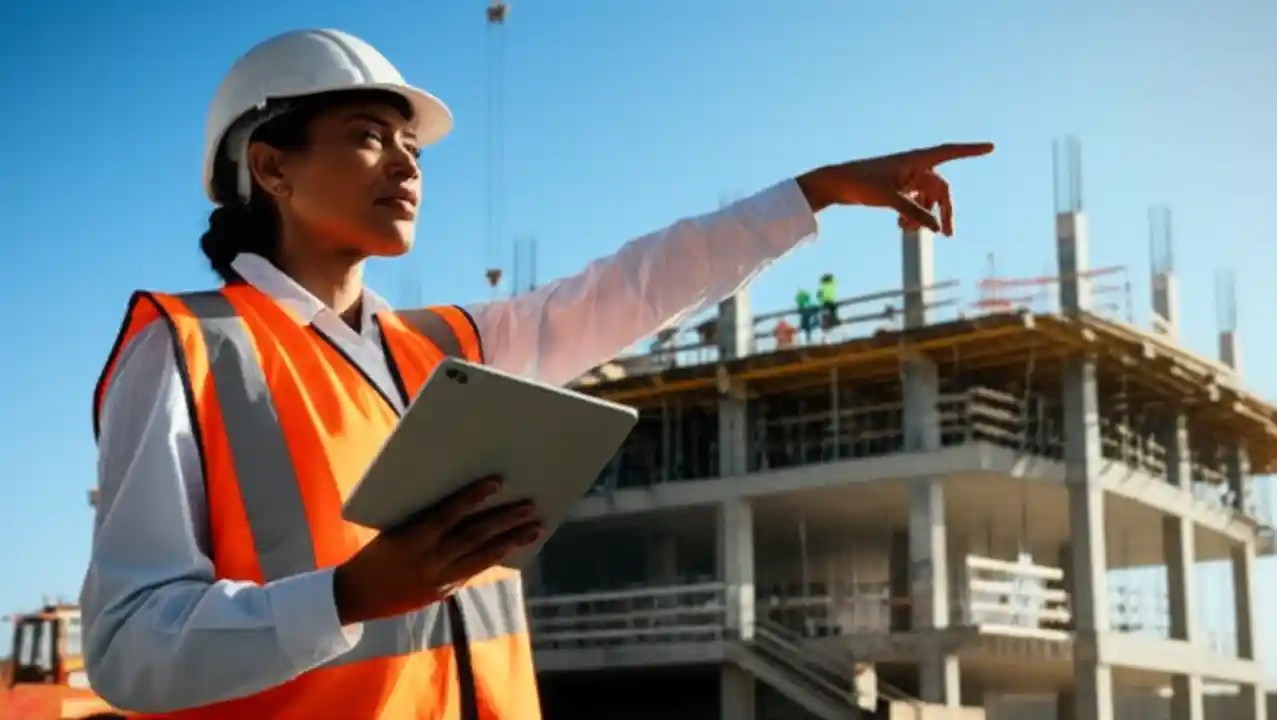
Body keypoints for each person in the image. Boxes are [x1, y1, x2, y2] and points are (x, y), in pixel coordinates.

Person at [80, 27, 992, 720]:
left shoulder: (440, 345)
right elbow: (127, 650)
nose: (407, 164)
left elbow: (626, 289)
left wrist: (813, 192)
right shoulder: (184, 345)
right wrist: (350, 595)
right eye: (368, 136)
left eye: (415, 152)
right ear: (271, 166)